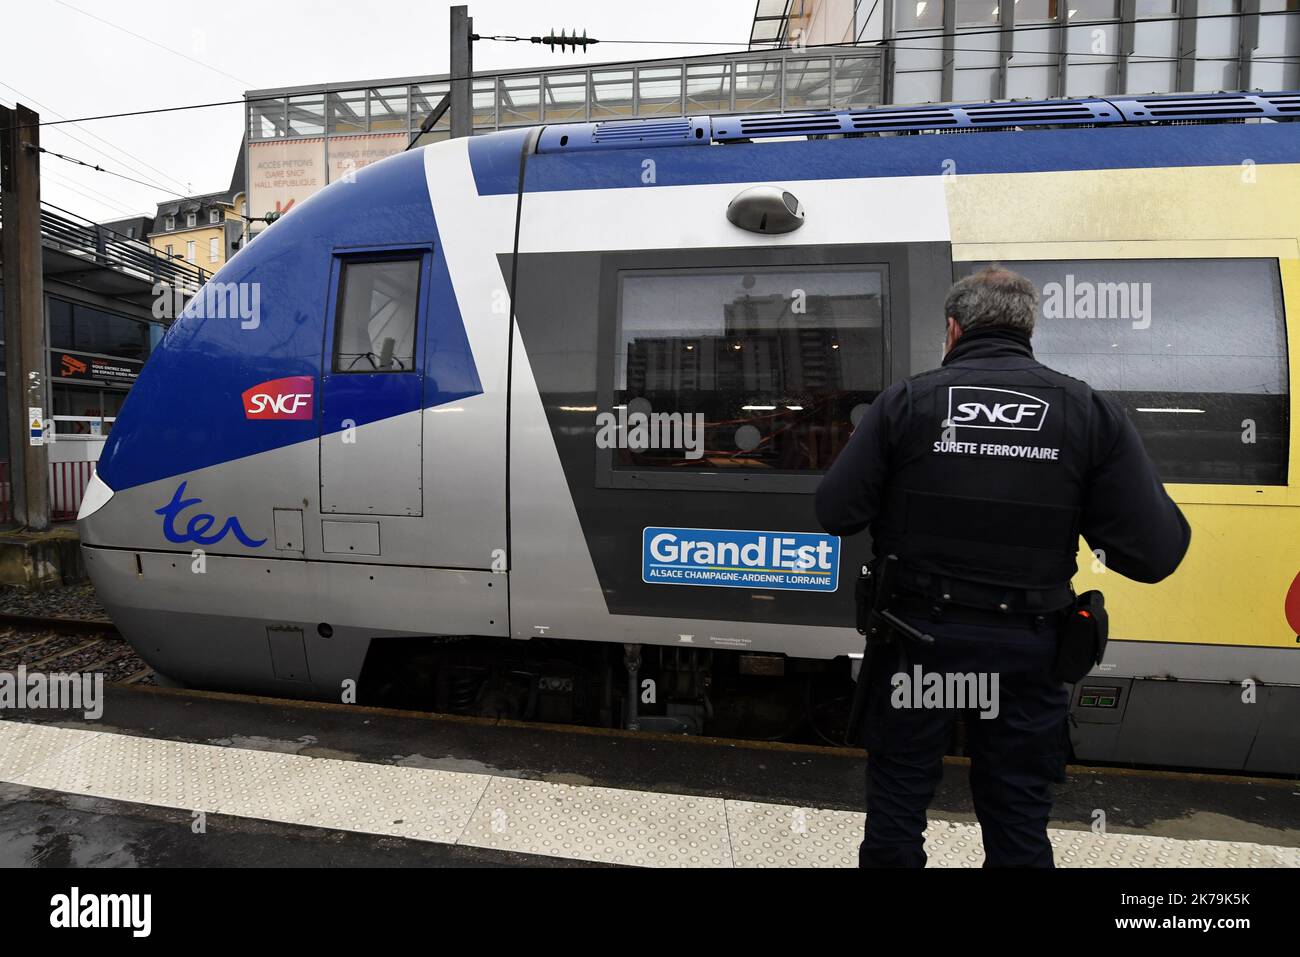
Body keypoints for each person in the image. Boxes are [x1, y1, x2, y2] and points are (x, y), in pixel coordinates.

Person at [815, 266, 1190, 868]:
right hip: (1029, 651)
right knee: (1018, 819)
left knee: (897, 808)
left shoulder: (906, 402)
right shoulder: (1090, 412)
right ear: (1028, 329)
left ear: (953, 329)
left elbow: (835, 512)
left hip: (918, 643)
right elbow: (1156, 554)